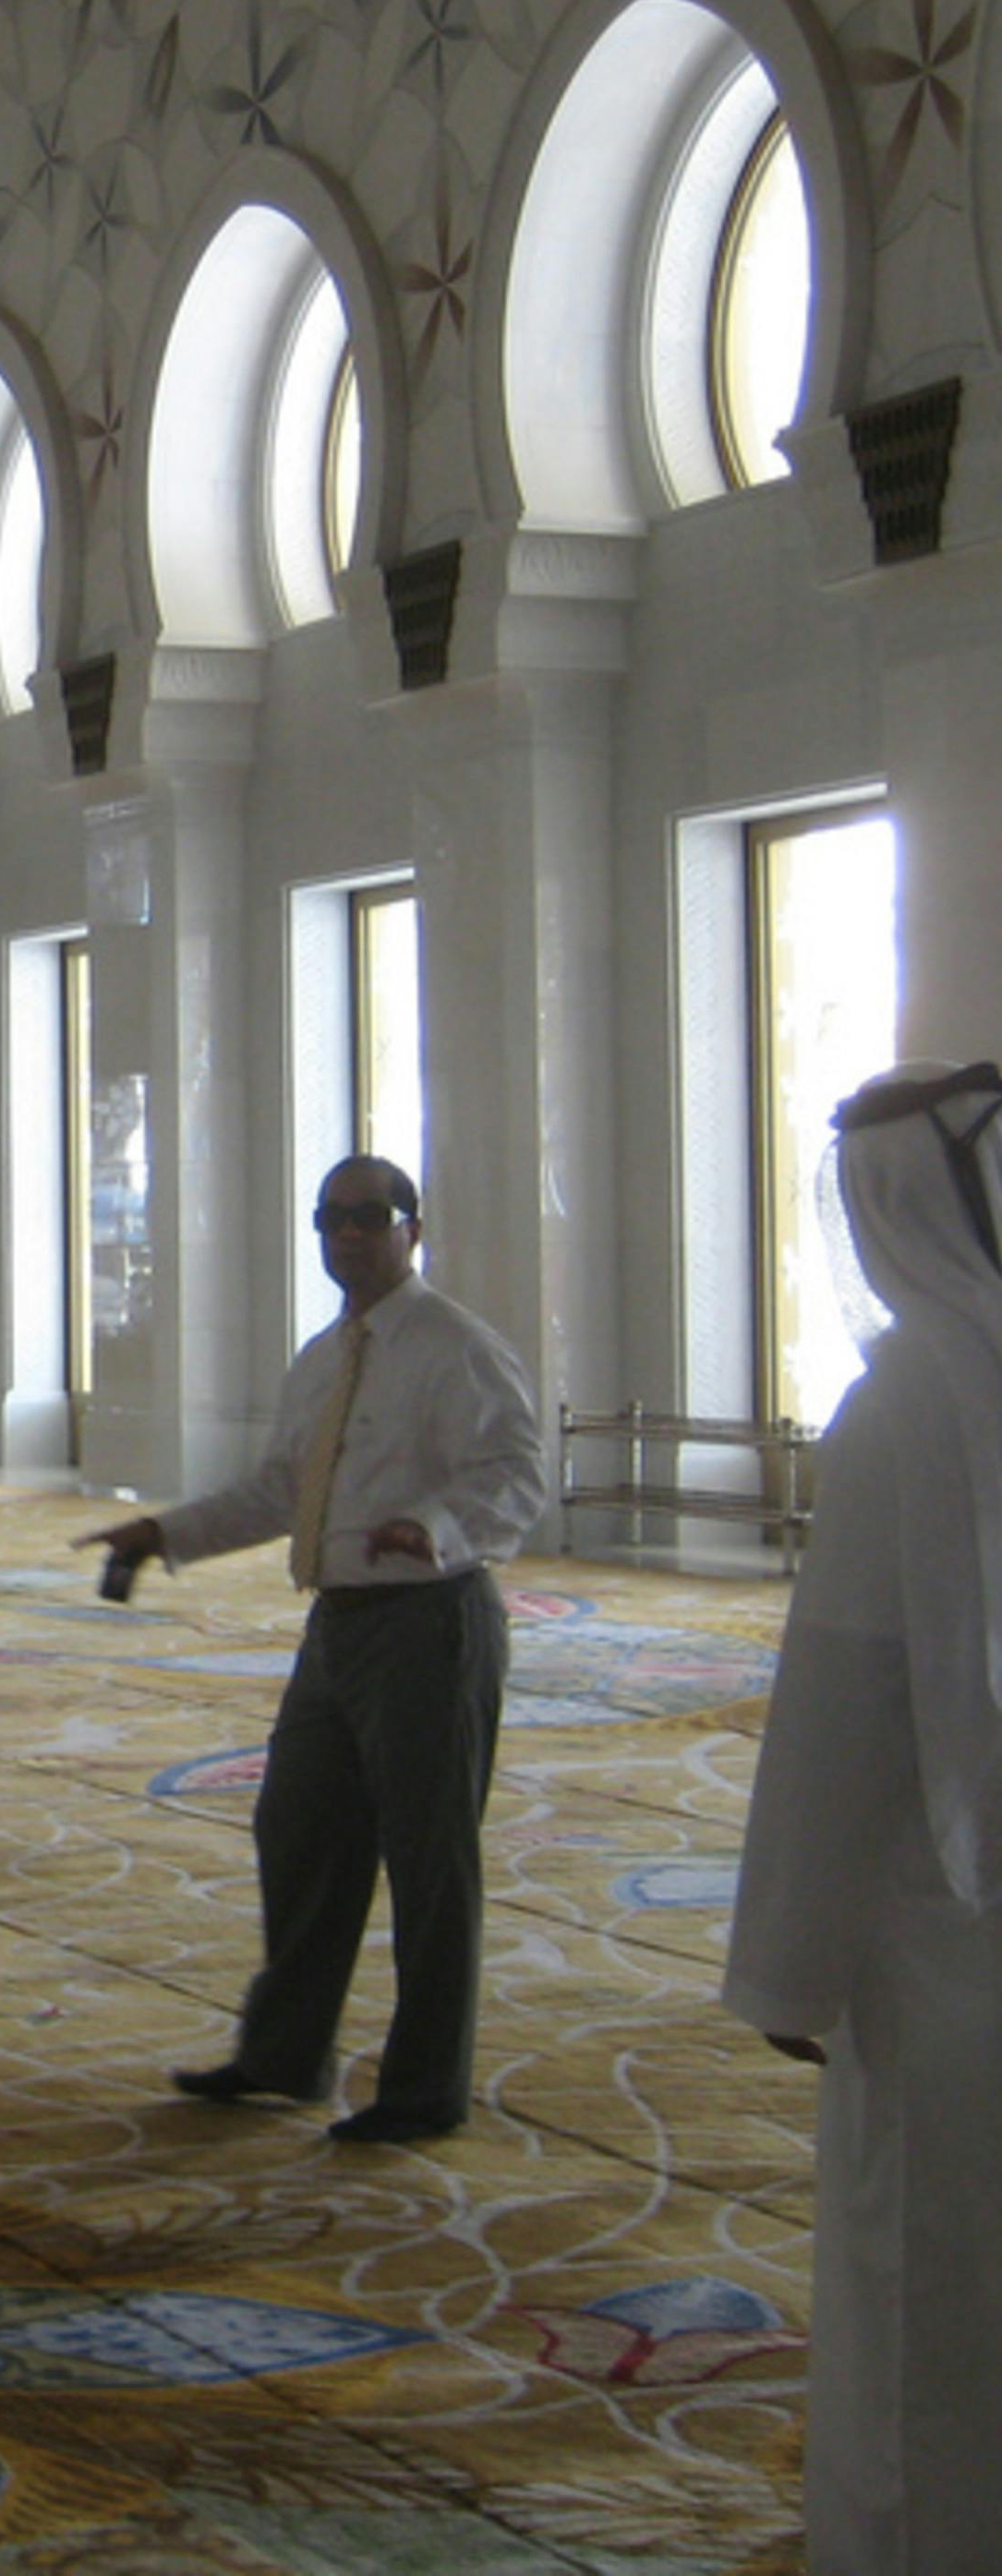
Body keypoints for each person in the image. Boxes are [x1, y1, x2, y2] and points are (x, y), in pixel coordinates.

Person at [78, 1154, 547, 2144]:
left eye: (368, 1215)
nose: (346, 1234)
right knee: (297, 1831)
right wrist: (162, 1534)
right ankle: (283, 2054)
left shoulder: (453, 1345)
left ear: (411, 1228)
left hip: (430, 1622)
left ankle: (423, 2088)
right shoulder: (321, 1358)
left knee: (427, 1862)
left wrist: (433, 1527)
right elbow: (276, 1492)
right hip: (336, 1624)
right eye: (328, 1217)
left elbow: (512, 1472)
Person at [722, 1060, 1002, 2575]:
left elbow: (842, 1711)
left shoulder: (906, 1401)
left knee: (927, 2297)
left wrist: (787, 1967)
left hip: (937, 1924)